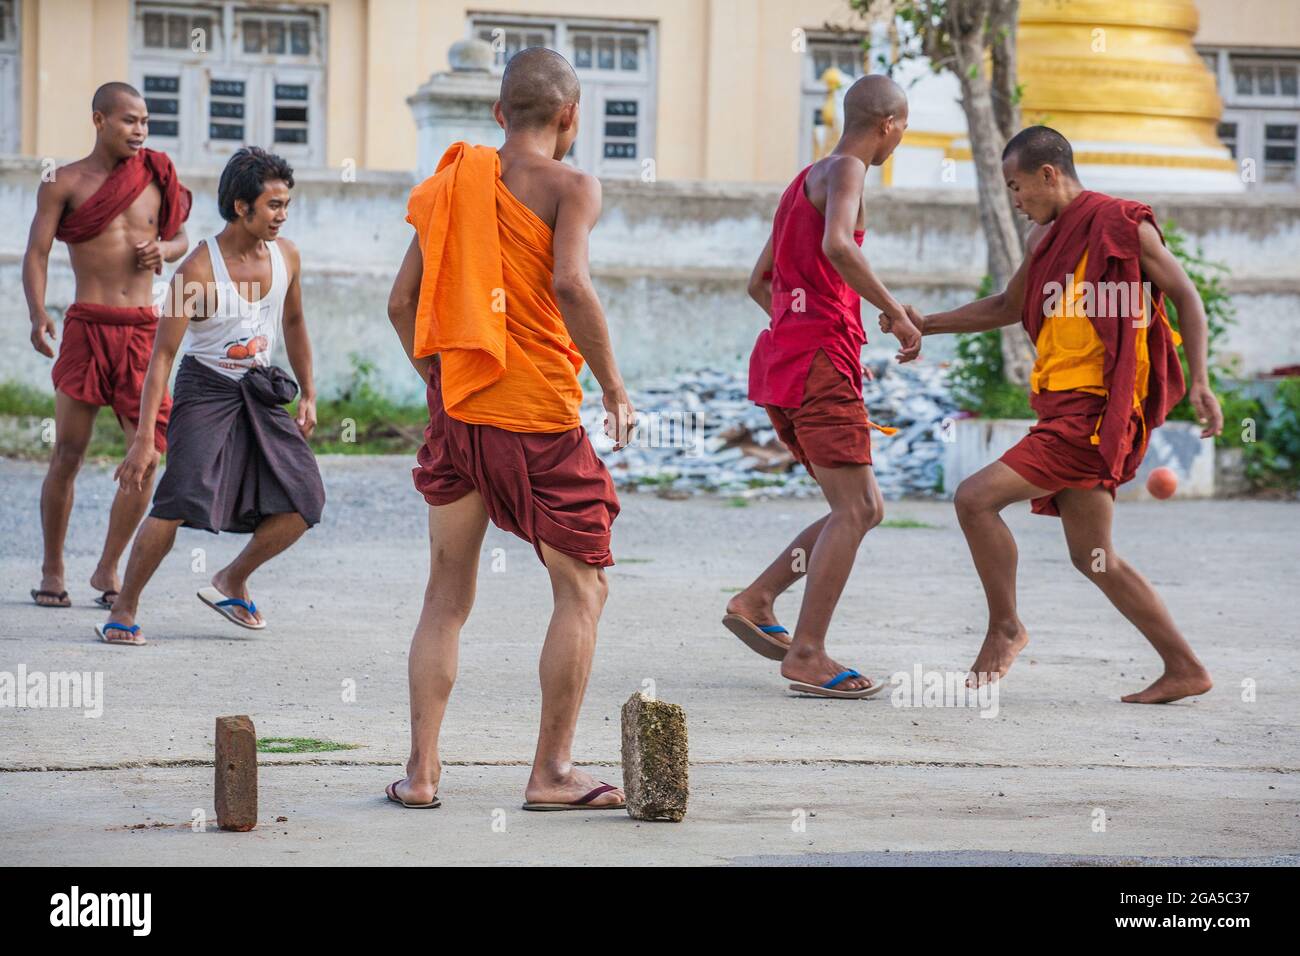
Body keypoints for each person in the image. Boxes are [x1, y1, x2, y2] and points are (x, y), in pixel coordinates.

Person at [384, 49, 633, 810]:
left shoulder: (451, 184)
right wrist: (617, 388)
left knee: (446, 597)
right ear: (570, 117)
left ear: (498, 115)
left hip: (457, 413)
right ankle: (551, 774)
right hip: (537, 418)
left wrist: (437, 377)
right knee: (582, 588)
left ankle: (421, 776)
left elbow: (401, 304)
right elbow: (568, 281)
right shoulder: (573, 185)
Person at [908, 126, 1222, 703]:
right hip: (1059, 406)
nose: (1016, 199)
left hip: (1096, 413)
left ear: (1048, 174)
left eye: (1018, 185)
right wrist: (926, 324)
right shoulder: (1040, 241)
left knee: (975, 499)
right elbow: (1007, 306)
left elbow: (1187, 295)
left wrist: (1199, 380)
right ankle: (1185, 668)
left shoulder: (1123, 223)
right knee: (1094, 558)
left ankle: (1006, 627)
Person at [723, 75, 922, 700]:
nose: (899, 140)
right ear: (888, 124)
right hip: (819, 365)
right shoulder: (848, 171)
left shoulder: (800, 182)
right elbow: (839, 244)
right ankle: (806, 653)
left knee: (860, 507)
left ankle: (757, 600)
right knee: (858, 509)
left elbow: (760, 281)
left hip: (789, 361)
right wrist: (894, 311)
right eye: (903, 129)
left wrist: (806, 328)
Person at [99, 147, 323, 646]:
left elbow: (294, 321)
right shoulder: (196, 271)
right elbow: (162, 356)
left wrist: (308, 391)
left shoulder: (287, 255)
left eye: (286, 205)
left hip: (261, 390)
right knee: (178, 497)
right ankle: (124, 606)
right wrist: (143, 439)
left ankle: (232, 579)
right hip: (206, 390)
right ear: (241, 207)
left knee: (305, 498)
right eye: (273, 206)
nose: (282, 216)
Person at [23, 82, 191, 609]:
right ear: (99, 120)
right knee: (67, 453)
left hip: (143, 330)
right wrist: (37, 312)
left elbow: (183, 237)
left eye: (144, 122)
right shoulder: (61, 181)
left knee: (146, 454)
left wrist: (164, 247)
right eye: (129, 121)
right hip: (87, 326)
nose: (140, 131)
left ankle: (108, 567)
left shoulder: (157, 176)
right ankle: (53, 569)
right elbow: (37, 251)